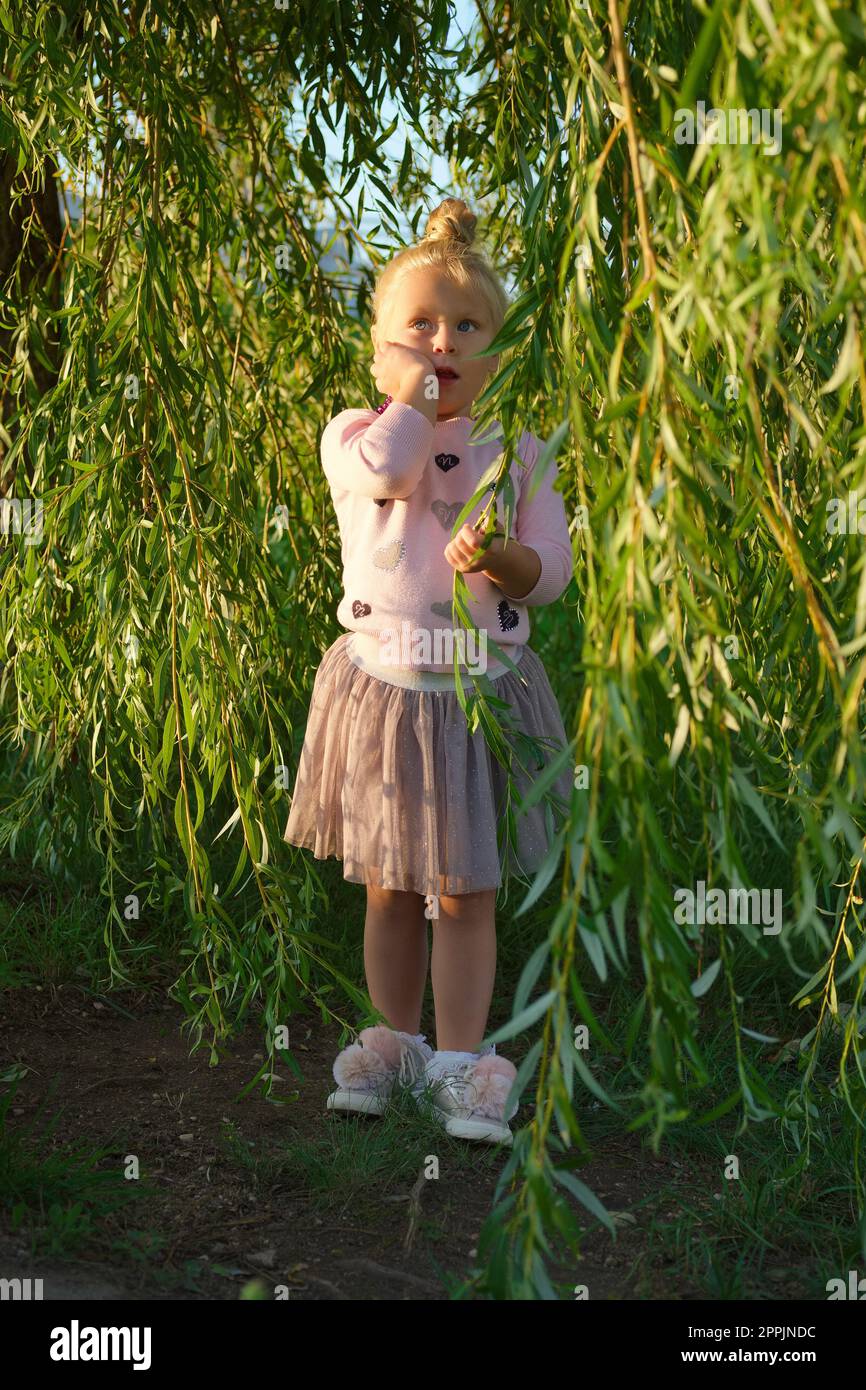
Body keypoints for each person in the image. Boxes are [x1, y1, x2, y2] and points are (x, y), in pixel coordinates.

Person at [283, 197, 574, 1145]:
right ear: (377, 349)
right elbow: (389, 475)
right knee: (389, 887)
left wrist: (500, 559)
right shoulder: (355, 433)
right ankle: (396, 1042)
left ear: (496, 354)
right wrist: (409, 398)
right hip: (388, 697)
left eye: (466, 327)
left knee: (464, 891)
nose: (441, 340)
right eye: (419, 324)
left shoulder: (520, 455)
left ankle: (459, 1061)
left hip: (479, 703)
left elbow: (552, 571)